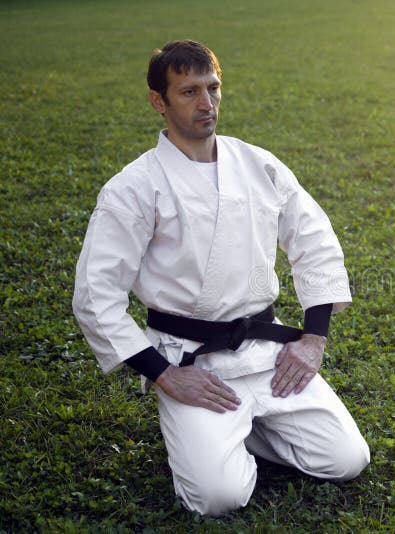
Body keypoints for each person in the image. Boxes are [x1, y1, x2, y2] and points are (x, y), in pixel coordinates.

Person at [72, 40, 370, 516]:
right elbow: (95, 296)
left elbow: (315, 244)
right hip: (191, 362)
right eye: (189, 91)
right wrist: (166, 377)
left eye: (213, 88)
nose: (206, 104)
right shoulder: (133, 187)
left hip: (266, 351)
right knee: (217, 498)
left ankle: (244, 428)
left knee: (346, 459)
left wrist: (312, 340)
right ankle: (217, 435)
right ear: (158, 101)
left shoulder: (258, 165)